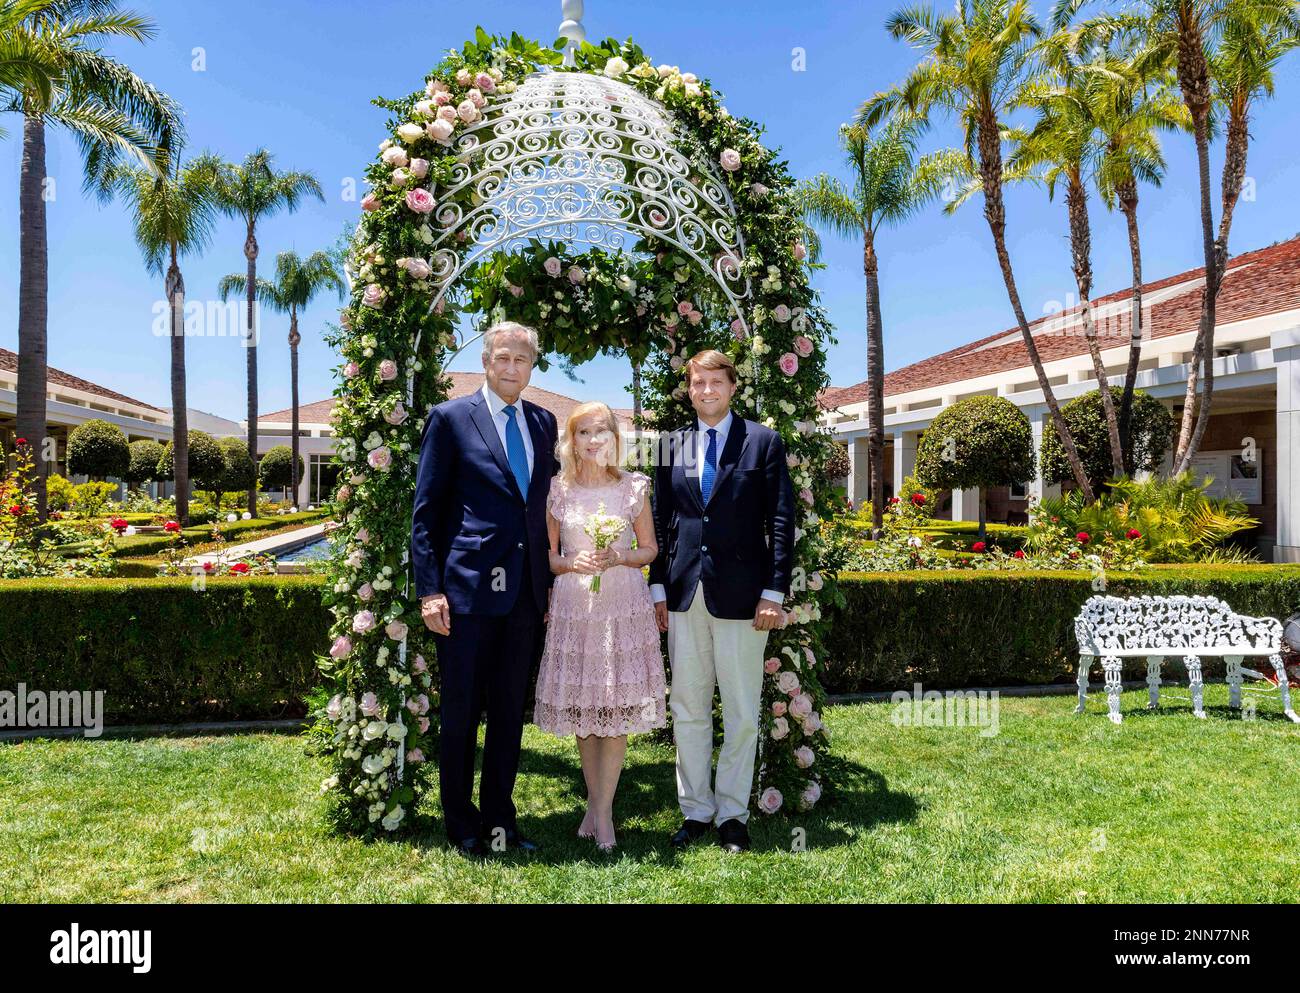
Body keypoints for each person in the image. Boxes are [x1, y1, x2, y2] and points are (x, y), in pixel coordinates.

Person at [411, 321, 558, 857]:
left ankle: (501, 821)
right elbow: (425, 514)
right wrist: (431, 591)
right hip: (467, 594)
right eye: (502, 357)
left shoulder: (543, 423)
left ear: (531, 365)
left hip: (524, 596)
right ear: (486, 361)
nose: (511, 367)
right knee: (461, 712)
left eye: (521, 359)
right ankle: (462, 825)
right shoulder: (450, 420)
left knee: (507, 716)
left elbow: (545, 505)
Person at [650, 349, 796, 854]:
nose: (706, 390)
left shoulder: (763, 442)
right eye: (697, 382)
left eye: (716, 381)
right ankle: (695, 811)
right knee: (688, 707)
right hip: (684, 595)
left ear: (733, 386)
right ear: (688, 389)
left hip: (743, 599)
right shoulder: (670, 445)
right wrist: (656, 589)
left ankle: (733, 814)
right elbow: (661, 522)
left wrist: (773, 593)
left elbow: (780, 523)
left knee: (740, 712)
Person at [534, 402, 666, 853]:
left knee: (614, 714)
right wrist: (573, 563)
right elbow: (548, 558)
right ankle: (595, 804)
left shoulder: (633, 488)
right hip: (576, 606)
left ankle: (603, 813)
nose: (594, 440)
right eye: (584, 432)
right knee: (586, 713)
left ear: (615, 438)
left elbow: (649, 549)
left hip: (622, 603)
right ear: (572, 440)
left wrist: (618, 556)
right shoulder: (558, 490)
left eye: (602, 431)